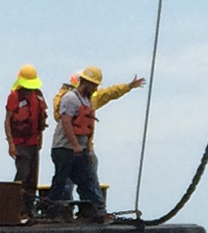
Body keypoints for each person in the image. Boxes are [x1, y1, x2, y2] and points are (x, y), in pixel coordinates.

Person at [48, 64, 146, 222]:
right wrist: (75, 145)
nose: (95, 88)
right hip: (65, 148)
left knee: (87, 179)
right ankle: (55, 211)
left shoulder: (88, 101)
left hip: (81, 148)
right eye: (93, 85)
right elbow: (66, 122)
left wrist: (86, 149)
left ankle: (93, 210)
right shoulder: (70, 98)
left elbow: (109, 94)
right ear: (85, 83)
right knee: (62, 180)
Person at [5, 64, 48, 201]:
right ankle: (15, 206)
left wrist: (40, 139)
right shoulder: (14, 97)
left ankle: (29, 209)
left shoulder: (38, 95)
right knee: (22, 174)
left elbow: (41, 121)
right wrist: (11, 144)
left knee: (32, 178)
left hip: (34, 143)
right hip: (20, 143)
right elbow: (7, 121)